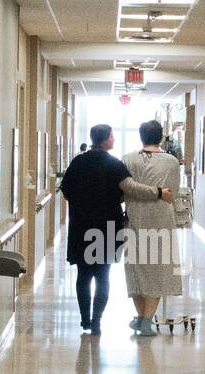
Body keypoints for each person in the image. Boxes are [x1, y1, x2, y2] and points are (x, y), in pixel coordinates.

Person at [58, 124, 171, 336]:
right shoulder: (114, 164)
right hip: (107, 227)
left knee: (83, 275)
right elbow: (128, 190)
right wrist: (157, 192)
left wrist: (82, 204)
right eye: (112, 136)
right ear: (104, 139)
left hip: (81, 226)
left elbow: (66, 190)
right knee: (102, 275)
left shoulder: (78, 161)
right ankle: (97, 321)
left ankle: (85, 319)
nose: (114, 139)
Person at [121, 120, 183, 337]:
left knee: (136, 268)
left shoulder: (128, 160)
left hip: (135, 217)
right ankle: (146, 320)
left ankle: (140, 318)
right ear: (161, 136)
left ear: (141, 136)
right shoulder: (171, 161)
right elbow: (172, 191)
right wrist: (158, 192)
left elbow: (124, 190)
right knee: (158, 268)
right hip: (162, 218)